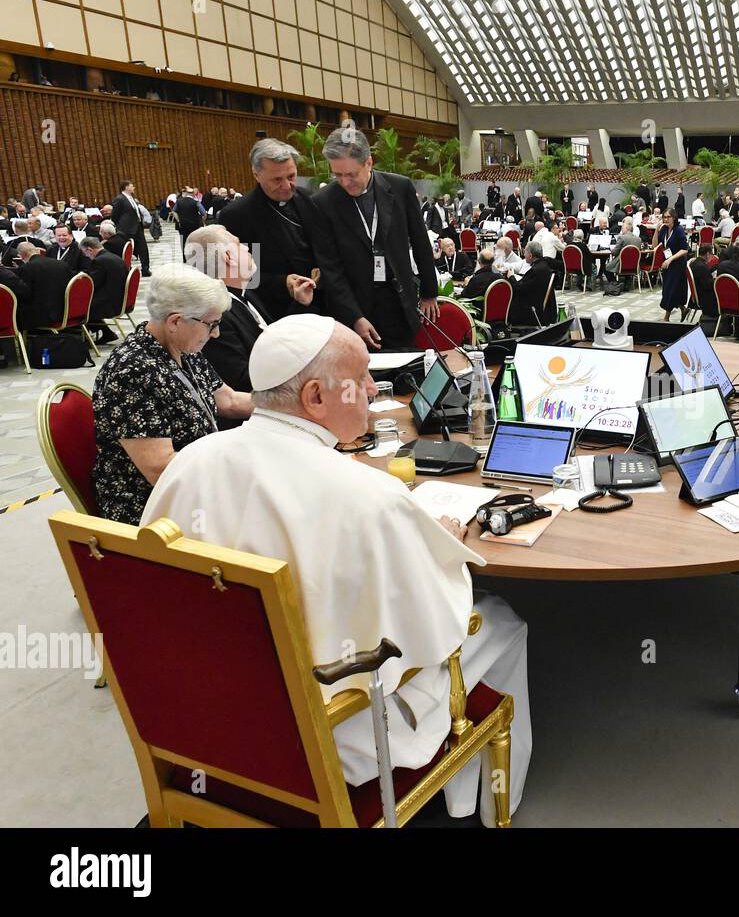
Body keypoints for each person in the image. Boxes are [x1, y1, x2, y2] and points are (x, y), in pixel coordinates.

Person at [140, 315, 531, 825]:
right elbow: (432, 624)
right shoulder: (370, 498)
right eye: (363, 377)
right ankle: (474, 806)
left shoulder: (190, 462)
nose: (373, 388)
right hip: (329, 734)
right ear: (316, 398)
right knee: (498, 617)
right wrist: (443, 545)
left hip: (203, 715)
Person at [91, 264, 253, 524]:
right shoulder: (132, 371)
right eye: (211, 324)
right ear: (175, 321)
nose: (216, 333)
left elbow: (229, 400)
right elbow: (161, 469)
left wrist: (284, 404)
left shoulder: (182, 349)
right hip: (154, 507)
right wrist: (237, 464)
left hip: (197, 483)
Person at [313, 128, 439, 350]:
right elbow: (331, 268)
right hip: (356, 307)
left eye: (351, 174)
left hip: (399, 301)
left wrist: (429, 292)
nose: (345, 182)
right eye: (337, 175)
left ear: (368, 163)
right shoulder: (323, 202)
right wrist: (354, 317)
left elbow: (420, 241)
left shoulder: (400, 187)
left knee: (405, 372)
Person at [187, 224, 314, 427]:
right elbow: (243, 381)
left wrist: (298, 303)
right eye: (239, 244)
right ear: (229, 258)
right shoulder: (216, 315)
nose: (247, 248)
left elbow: (271, 336)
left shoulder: (241, 295)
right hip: (256, 420)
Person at [217, 140, 338, 324]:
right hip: (279, 313)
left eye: (291, 176)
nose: (287, 185)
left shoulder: (307, 198)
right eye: (277, 180)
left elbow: (326, 246)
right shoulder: (237, 215)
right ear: (256, 174)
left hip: (323, 306)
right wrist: (284, 283)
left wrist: (323, 269)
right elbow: (236, 277)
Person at [79, 236, 128, 344]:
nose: (86, 256)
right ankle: (106, 332)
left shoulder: (99, 261)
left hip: (110, 302)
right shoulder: (113, 257)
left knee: (79, 306)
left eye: (84, 253)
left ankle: (82, 339)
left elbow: (92, 284)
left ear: (89, 250)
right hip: (120, 298)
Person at [110, 180, 151, 277]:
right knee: (126, 250)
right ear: (126, 187)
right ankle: (125, 271)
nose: (134, 188)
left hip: (138, 227)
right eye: (132, 186)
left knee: (143, 249)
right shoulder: (119, 199)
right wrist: (120, 225)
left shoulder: (132, 198)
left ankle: (145, 269)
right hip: (125, 229)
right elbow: (115, 215)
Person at [510, 241, 554, 325]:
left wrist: (511, 276)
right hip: (537, 300)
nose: (524, 255)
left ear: (530, 255)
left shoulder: (535, 270)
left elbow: (518, 288)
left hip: (531, 308)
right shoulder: (543, 265)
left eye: (525, 252)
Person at [657, 211, 691, 321]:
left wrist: (671, 259)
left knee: (670, 290)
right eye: (664, 217)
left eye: (668, 217)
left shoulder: (679, 230)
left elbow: (684, 249)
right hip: (667, 263)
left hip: (678, 264)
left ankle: (666, 317)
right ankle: (683, 309)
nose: (666, 219)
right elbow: (655, 245)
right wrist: (656, 231)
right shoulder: (663, 229)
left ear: (674, 218)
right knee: (672, 289)